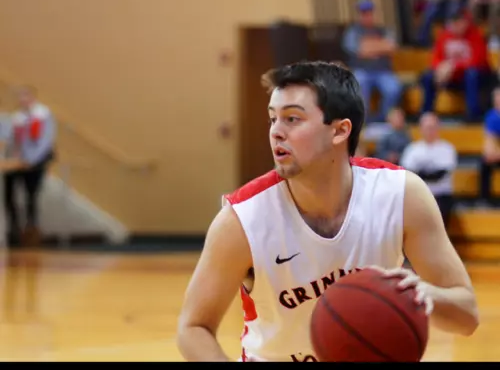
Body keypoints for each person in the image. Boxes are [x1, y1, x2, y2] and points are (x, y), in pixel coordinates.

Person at [177, 62, 478, 362]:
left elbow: (467, 315)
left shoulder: (401, 195)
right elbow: (193, 327)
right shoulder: (243, 219)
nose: (276, 132)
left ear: (339, 131)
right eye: (273, 119)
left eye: (292, 118)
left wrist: (425, 297)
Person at [2, 85, 56, 247]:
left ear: (32, 97)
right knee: (9, 194)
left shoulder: (43, 116)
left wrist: (30, 160)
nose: (21, 100)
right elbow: (11, 139)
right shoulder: (17, 118)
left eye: (25, 96)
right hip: (16, 161)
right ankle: (14, 230)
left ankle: (31, 232)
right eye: (20, 97)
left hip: (34, 162)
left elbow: (44, 142)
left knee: (30, 196)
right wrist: (13, 158)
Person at [399, 113, 458, 231]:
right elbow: (408, 174)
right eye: (427, 128)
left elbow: (440, 175)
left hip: (441, 195)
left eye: (433, 127)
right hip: (417, 195)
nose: (430, 131)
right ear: (421, 129)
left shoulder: (447, 148)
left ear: (438, 128)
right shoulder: (412, 149)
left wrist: (421, 173)